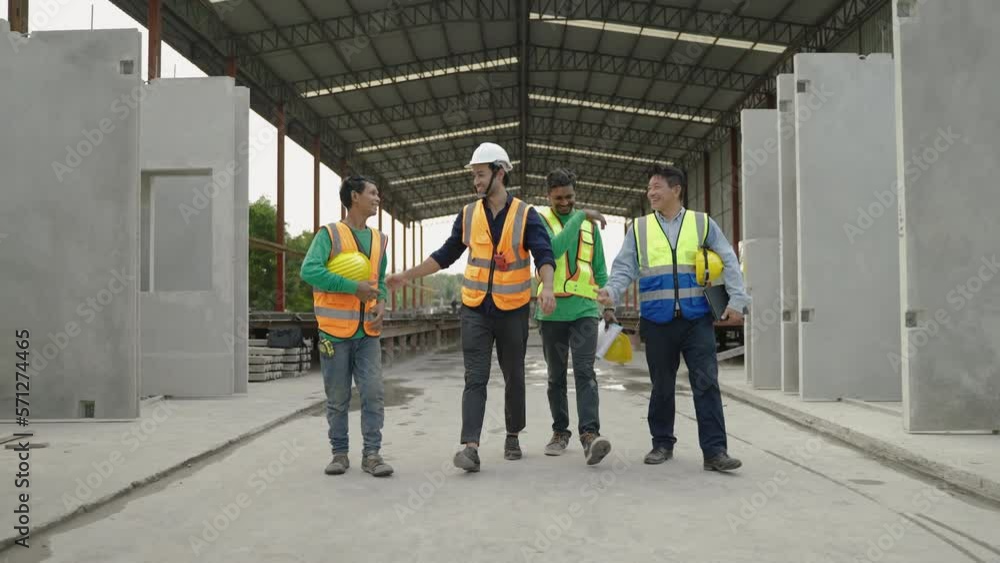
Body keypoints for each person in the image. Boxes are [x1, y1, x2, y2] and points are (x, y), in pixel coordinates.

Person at [387, 142, 556, 472]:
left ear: (500, 172)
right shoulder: (467, 214)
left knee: (514, 376)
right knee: (474, 377)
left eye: (480, 175)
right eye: (474, 176)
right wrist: (408, 274)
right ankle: (470, 447)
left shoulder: (525, 214)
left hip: (513, 309)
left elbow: (543, 255)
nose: (476, 182)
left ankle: (512, 434)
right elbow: (446, 253)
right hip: (475, 308)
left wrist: (547, 287)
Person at [598, 164, 749, 472]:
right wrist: (611, 291)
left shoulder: (701, 223)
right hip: (657, 319)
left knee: (706, 383)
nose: (651, 192)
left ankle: (715, 451)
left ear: (676, 190)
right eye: (649, 188)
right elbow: (624, 268)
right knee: (662, 385)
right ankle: (662, 444)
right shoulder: (639, 229)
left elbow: (729, 259)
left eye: (657, 187)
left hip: (697, 318)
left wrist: (738, 299)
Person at [300, 176, 393, 478]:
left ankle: (373, 454)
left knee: (373, 392)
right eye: (373, 193)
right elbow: (309, 271)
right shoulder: (329, 234)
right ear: (355, 197)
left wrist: (381, 303)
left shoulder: (379, 239)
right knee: (338, 396)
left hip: (367, 333)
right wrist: (352, 288)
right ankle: (339, 454)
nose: (378, 198)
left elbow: (378, 282)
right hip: (333, 332)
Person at [534, 168, 614, 465]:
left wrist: (608, 305)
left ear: (575, 194)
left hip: (584, 310)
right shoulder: (540, 221)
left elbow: (600, 267)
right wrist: (581, 216)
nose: (565, 202)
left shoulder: (590, 227)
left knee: (585, 372)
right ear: (548, 196)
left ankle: (590, 435)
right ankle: (560, 432)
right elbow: (552, 252)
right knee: (556, 376)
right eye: (559, 198)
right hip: (551, 312)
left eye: (570, 197)